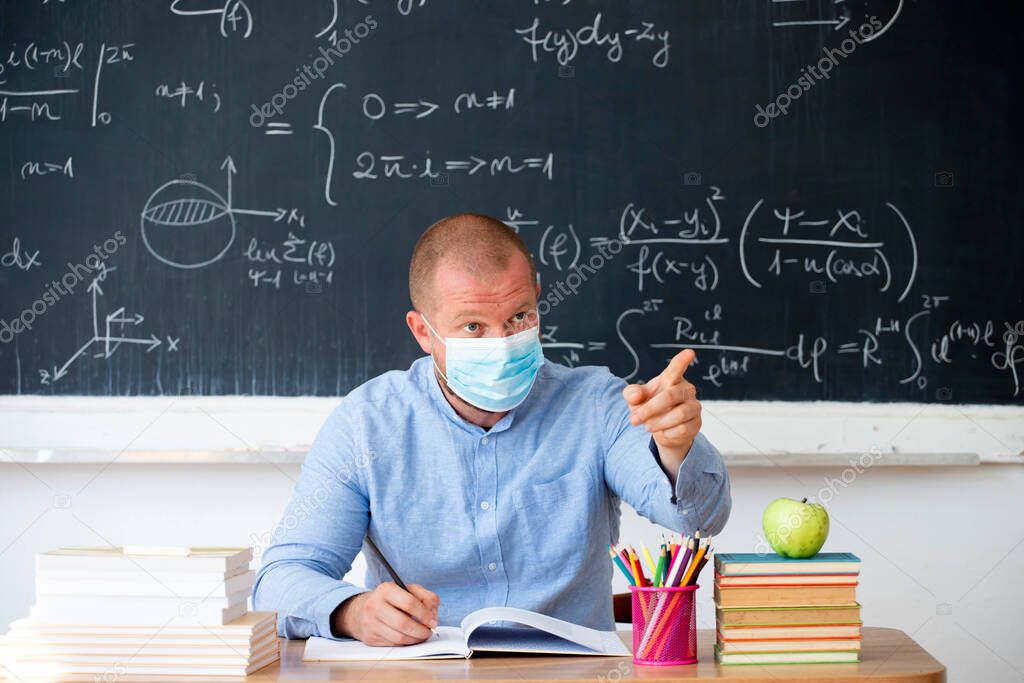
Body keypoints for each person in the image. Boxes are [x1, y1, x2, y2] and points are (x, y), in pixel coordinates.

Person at [253, 213, 731, 645]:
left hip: (573, 677)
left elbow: (698, 521)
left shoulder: (596, 404)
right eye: (474, 327)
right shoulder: (368, 424)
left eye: (518, 316)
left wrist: (675, 447)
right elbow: (280, 579)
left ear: (538, 300)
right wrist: (353, 613)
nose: (503, 344)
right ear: (423, 332)